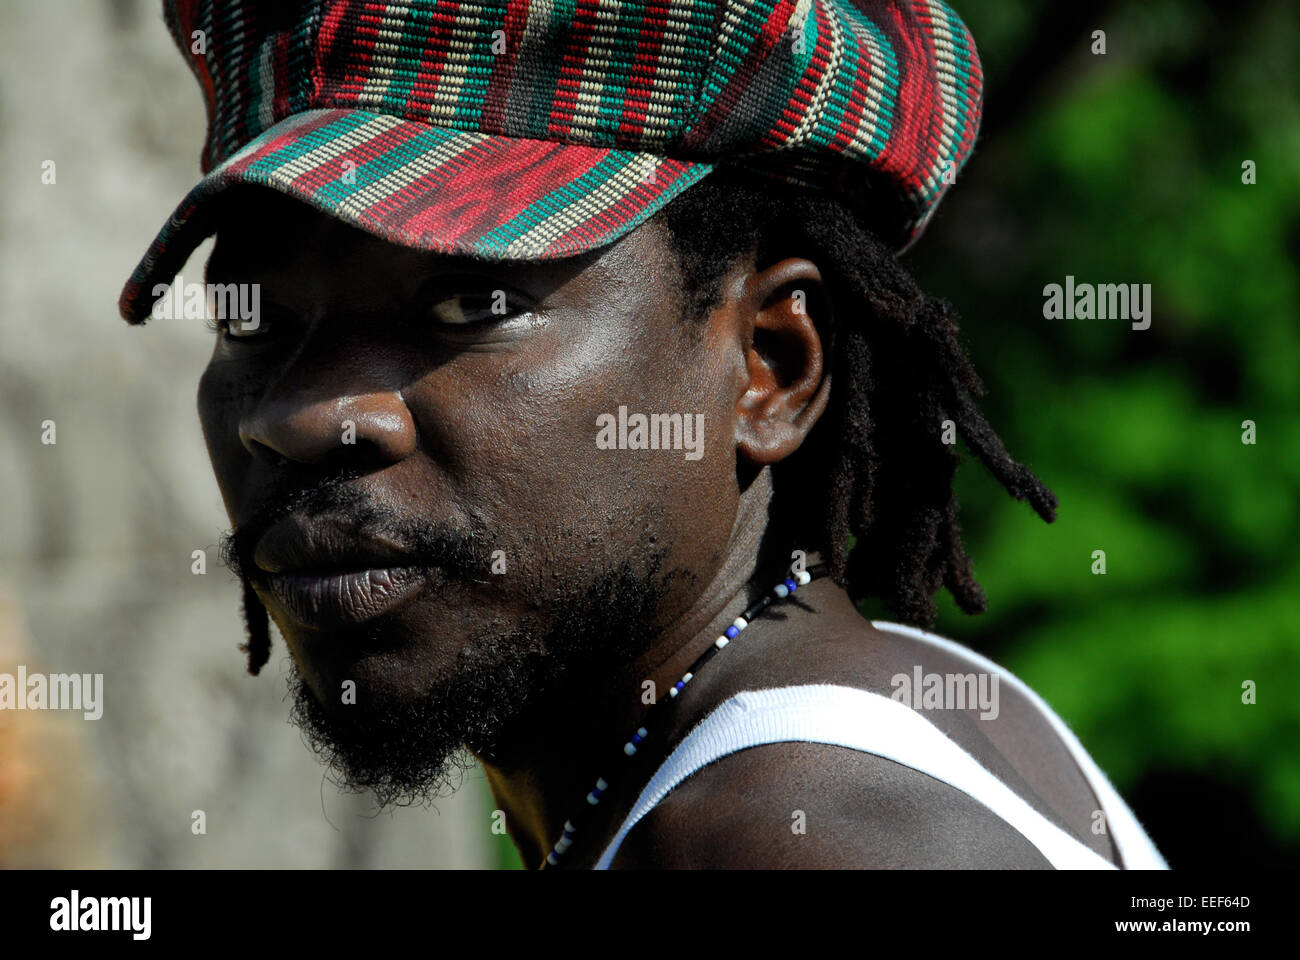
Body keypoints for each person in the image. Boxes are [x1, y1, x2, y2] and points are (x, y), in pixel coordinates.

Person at [119, 0, 1168, 870]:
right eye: (251, 320)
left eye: (473, 302)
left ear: (769, 367)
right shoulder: (881, 722)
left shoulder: (799, 839)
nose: (301, 419)